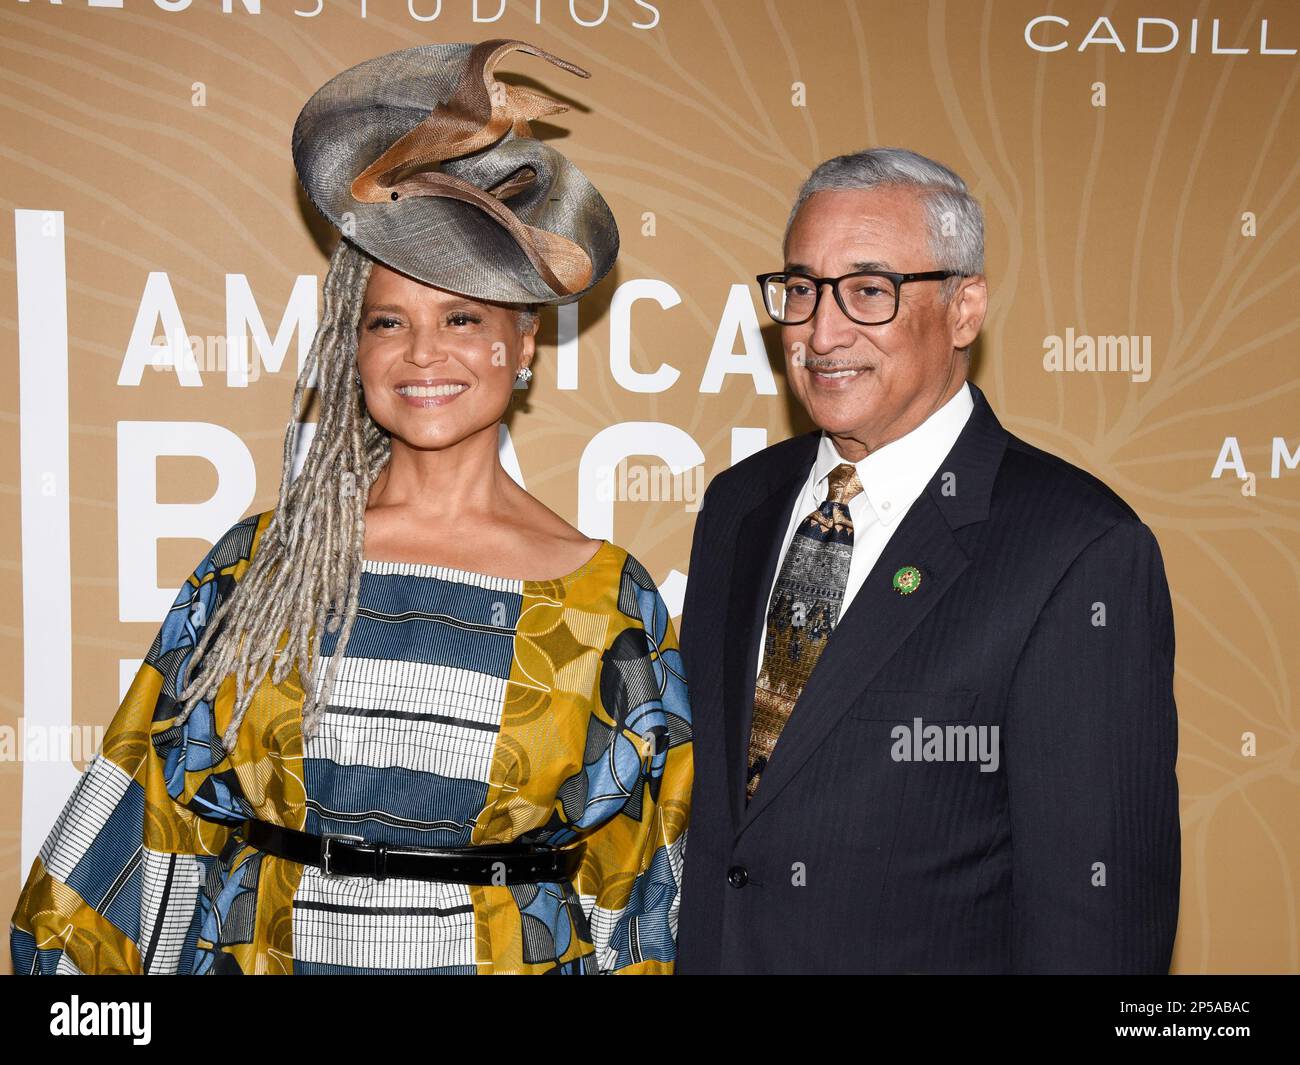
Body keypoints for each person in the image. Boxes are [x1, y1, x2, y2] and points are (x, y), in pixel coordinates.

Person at [11, 39, 691, 976]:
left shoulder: (606, 600)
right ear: (350, 343)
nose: (423, 354)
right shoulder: (261, 568)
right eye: (388, 321)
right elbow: (149, 815)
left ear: (522, 344)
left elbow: (647, 880)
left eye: (462, 319)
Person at [675, 147, 1179, 974]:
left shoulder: (1078, 549)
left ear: (964, 308)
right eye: (801, 289)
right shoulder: (740, 504)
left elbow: (1099, 924)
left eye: (869, 291)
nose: (820, 330)